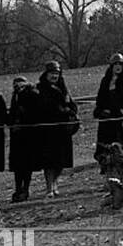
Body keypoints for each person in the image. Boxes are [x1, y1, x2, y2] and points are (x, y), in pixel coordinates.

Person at [32, 61, 79, 197]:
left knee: (61, 160)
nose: (54, 76)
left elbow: (70, 102)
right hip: (48, 130)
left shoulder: (62, 87)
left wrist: (72, 111)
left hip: (63, 130)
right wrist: (64, 110)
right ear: (46, 74)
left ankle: (55, 183)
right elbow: (46, 107)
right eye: (52, 73)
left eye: (57, 73)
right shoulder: (40, 88)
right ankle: (49, 188)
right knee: (49, 161)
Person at [93, 52, 123, 164]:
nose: (117, 66)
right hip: (106, 117)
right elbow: (101, 97)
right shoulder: (106, 80)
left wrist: (121, 110)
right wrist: (102, 109)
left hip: (119, 116)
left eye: (119, 63)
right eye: (115, 64)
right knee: (105, 145)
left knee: (119, 144)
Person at [7, 76, 39, 203]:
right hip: (16, 136)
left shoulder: (32, 95)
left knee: (27, 165)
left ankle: (25, 189)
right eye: (16, 86)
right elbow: (13, 113)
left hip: (28, 135)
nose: (19, 88)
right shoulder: (15, 96)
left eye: (21, 86)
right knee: (17, 165)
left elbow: (35, 113)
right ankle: (18, 189)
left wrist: (23, 122)